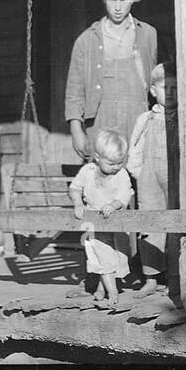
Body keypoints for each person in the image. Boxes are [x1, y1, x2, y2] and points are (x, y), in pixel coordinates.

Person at [65, 0, 158, 160]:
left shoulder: (149, 35)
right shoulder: (87, 41)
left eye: (123, 1)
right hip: (100, 123)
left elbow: (160, 82)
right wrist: (76, 131)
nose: (117, 8)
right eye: (112, 0)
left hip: (138, 121)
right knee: (101, 182)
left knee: (138, 180)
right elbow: (74, 92)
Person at [68, 130, 135, 309]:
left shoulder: (121, 174)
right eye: (112, 163)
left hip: (115, 222)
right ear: (97, 158)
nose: (116, 166)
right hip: (95, 223)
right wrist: (77, 204)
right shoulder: (88, 171)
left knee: (116, 257)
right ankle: (112, 292)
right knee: (102, 256)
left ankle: (101, 288)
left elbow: (124, 194)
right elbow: (75, 188)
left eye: (121, 162)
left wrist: (113, 205)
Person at [127, 62, 176, 297]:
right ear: (154, 90)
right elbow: (133, 151)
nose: (172, 93)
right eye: (166, 87)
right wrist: (140, 173)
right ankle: (152, 278)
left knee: (177, 222)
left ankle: (176, 276)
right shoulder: (145, 119)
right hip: (149, 179)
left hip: (176, 179)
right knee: (150, 226)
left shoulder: (183, 118)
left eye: (176, 88)